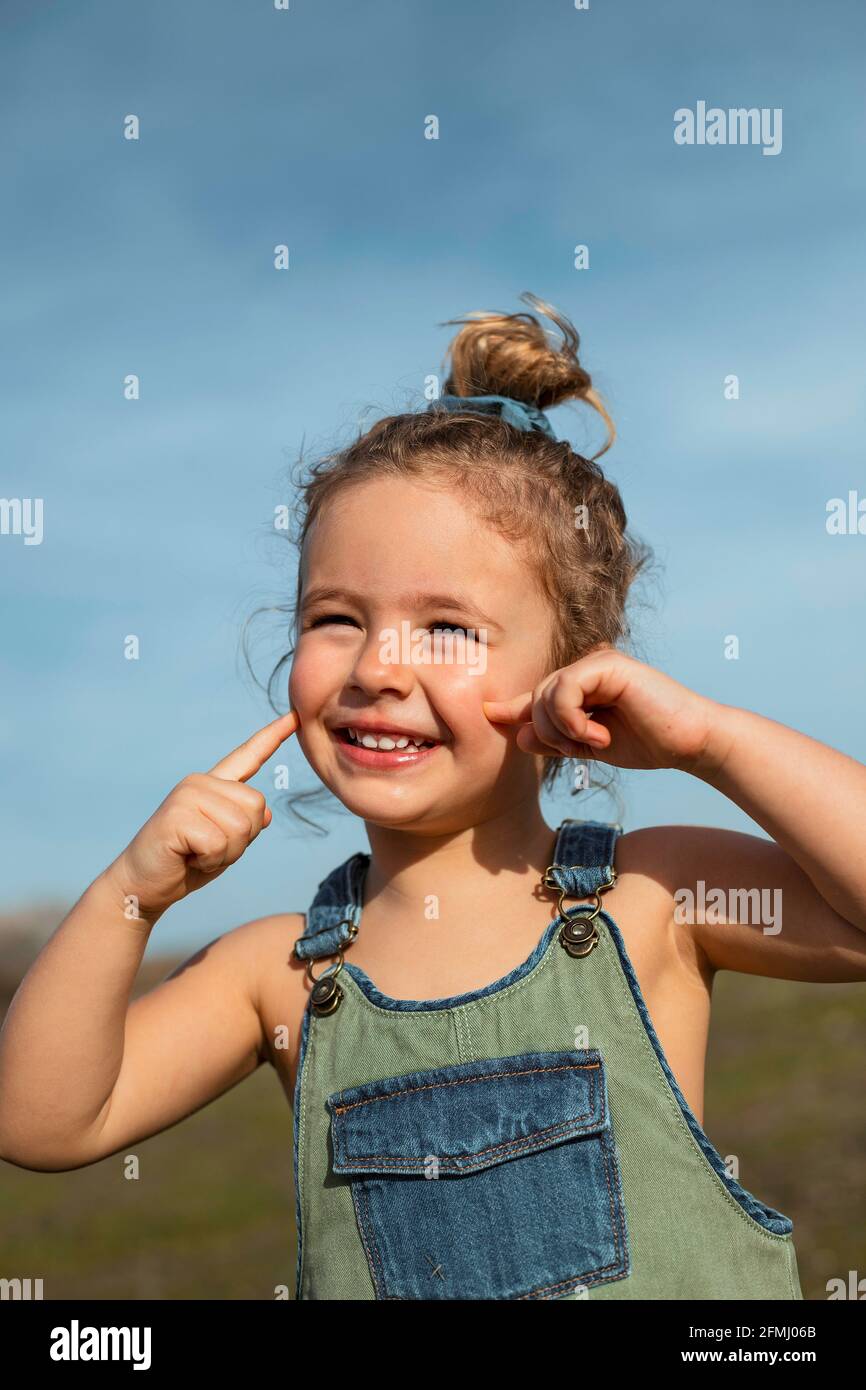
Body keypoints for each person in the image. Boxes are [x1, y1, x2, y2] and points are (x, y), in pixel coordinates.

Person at [2, 293, 865, 1301]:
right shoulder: (275, 976)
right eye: (335, 616)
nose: (377, 665)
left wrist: (708, 742)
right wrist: (130, 898)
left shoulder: (650, 899)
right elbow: (42, 1120)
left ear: (579, 670)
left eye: (447, 628)